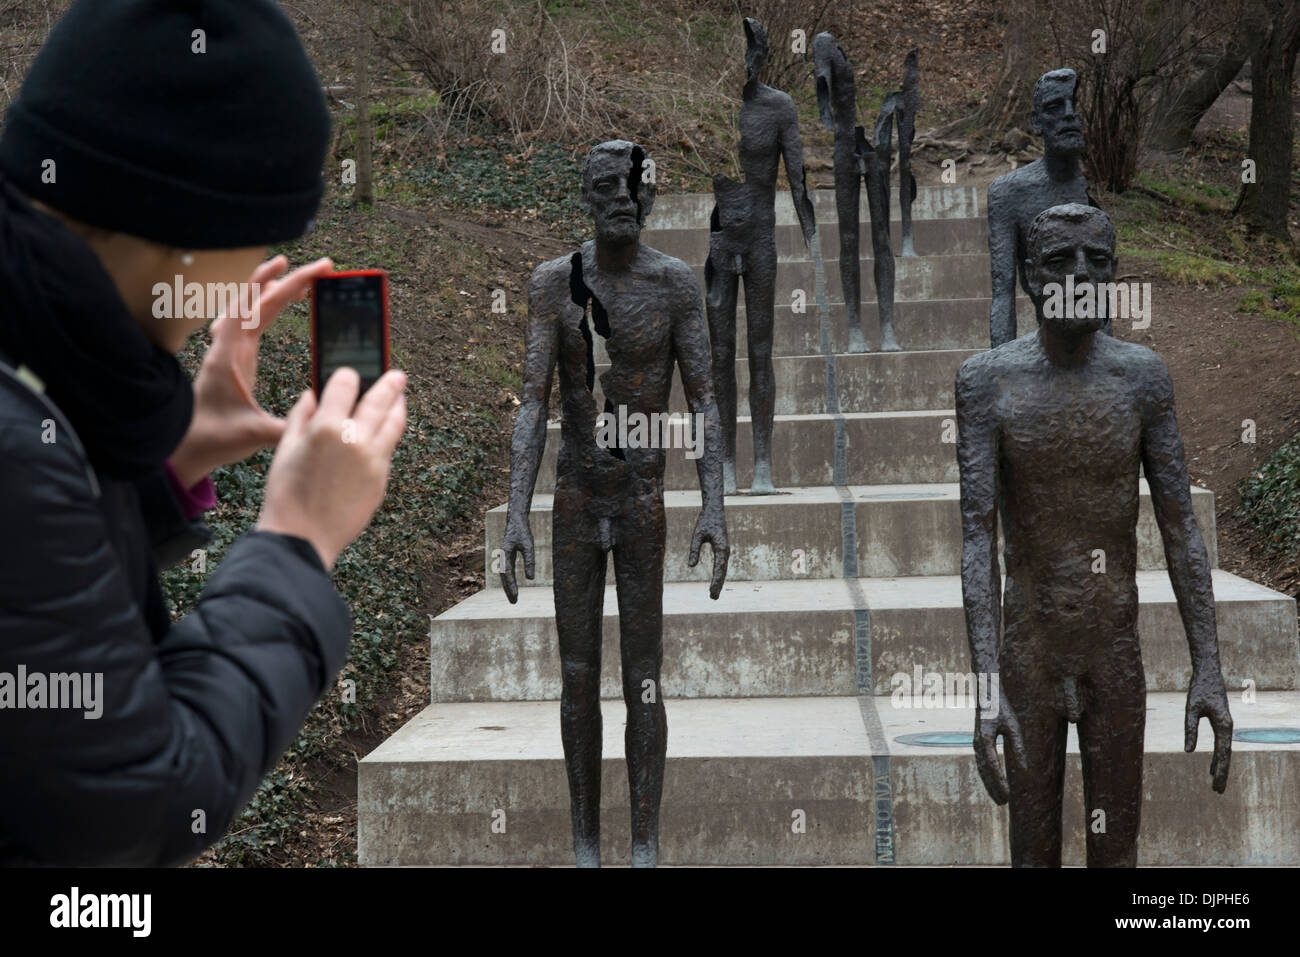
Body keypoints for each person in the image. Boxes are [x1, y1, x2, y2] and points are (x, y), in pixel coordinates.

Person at [0, 0, 407, 866]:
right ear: (183, 232)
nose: (246, 278)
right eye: (259, 238)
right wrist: (294, 542)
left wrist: (169, 462)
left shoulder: (32, 368)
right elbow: (134, 811)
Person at [956, 204, 1231, 867]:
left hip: (1113, 654)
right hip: (1029, 653)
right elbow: (976, 540)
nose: (1080, 274)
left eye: (1097, 261)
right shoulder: (986, 382)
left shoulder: (1141, 377)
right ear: (1029, 276)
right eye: (1060, 260)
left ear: (1115, 274)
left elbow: (1180, 528)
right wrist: (987, 684)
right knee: (1033, 852)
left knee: (1117, 854)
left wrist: (1211, 667)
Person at [499, 140, 728, 867]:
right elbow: (533, 403)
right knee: (575, 678)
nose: (623, 199)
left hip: (639, 502)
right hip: (574, 498)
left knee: (644, 678)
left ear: (650, 195)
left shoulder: (674, 284)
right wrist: (514, 513)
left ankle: (645, 842)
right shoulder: (551, 285)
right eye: (608, 187)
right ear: (588, 195)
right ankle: (585, 840)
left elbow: (707, 399)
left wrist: (714, 505)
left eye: (634, 187)